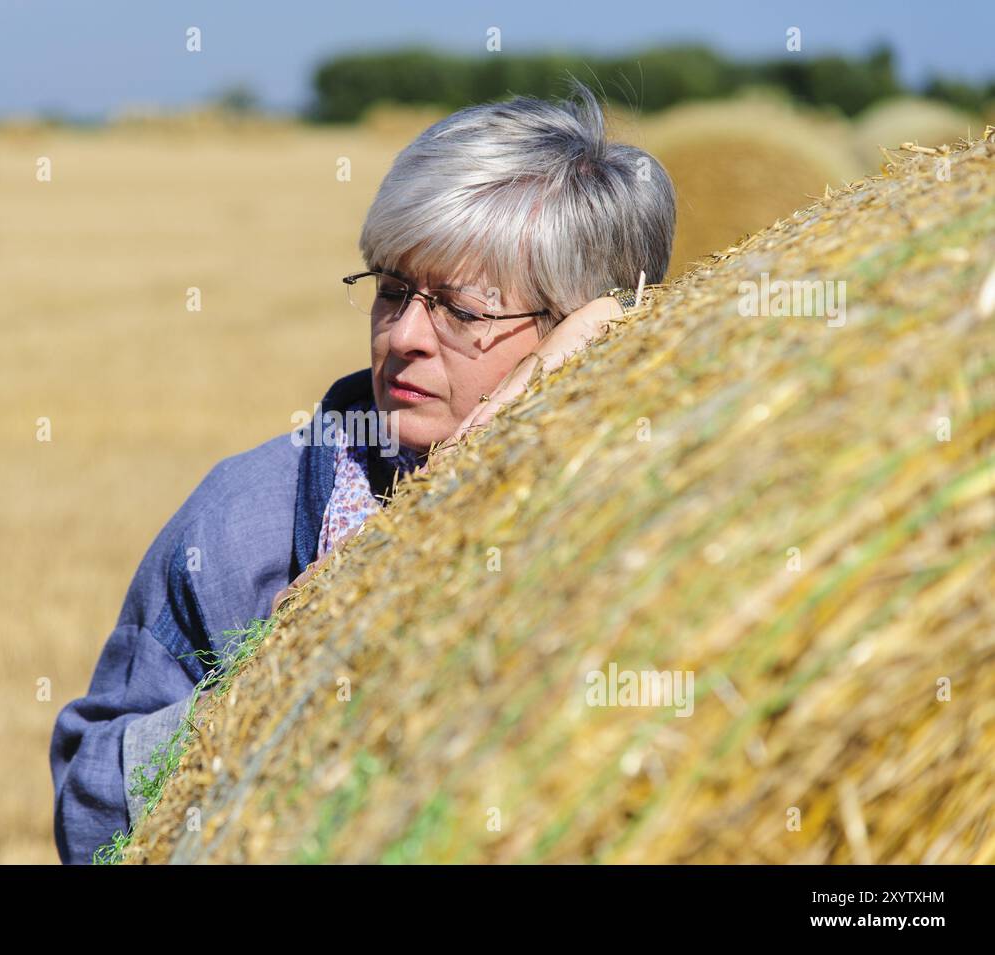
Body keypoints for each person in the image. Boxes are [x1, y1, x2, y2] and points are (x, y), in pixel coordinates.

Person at [49, 82, 675, 863]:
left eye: (463, 309)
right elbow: (89, 807)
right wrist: (287, 676)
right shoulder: (246, 521)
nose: (405, 334)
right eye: (391, 291)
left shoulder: (657, 518)